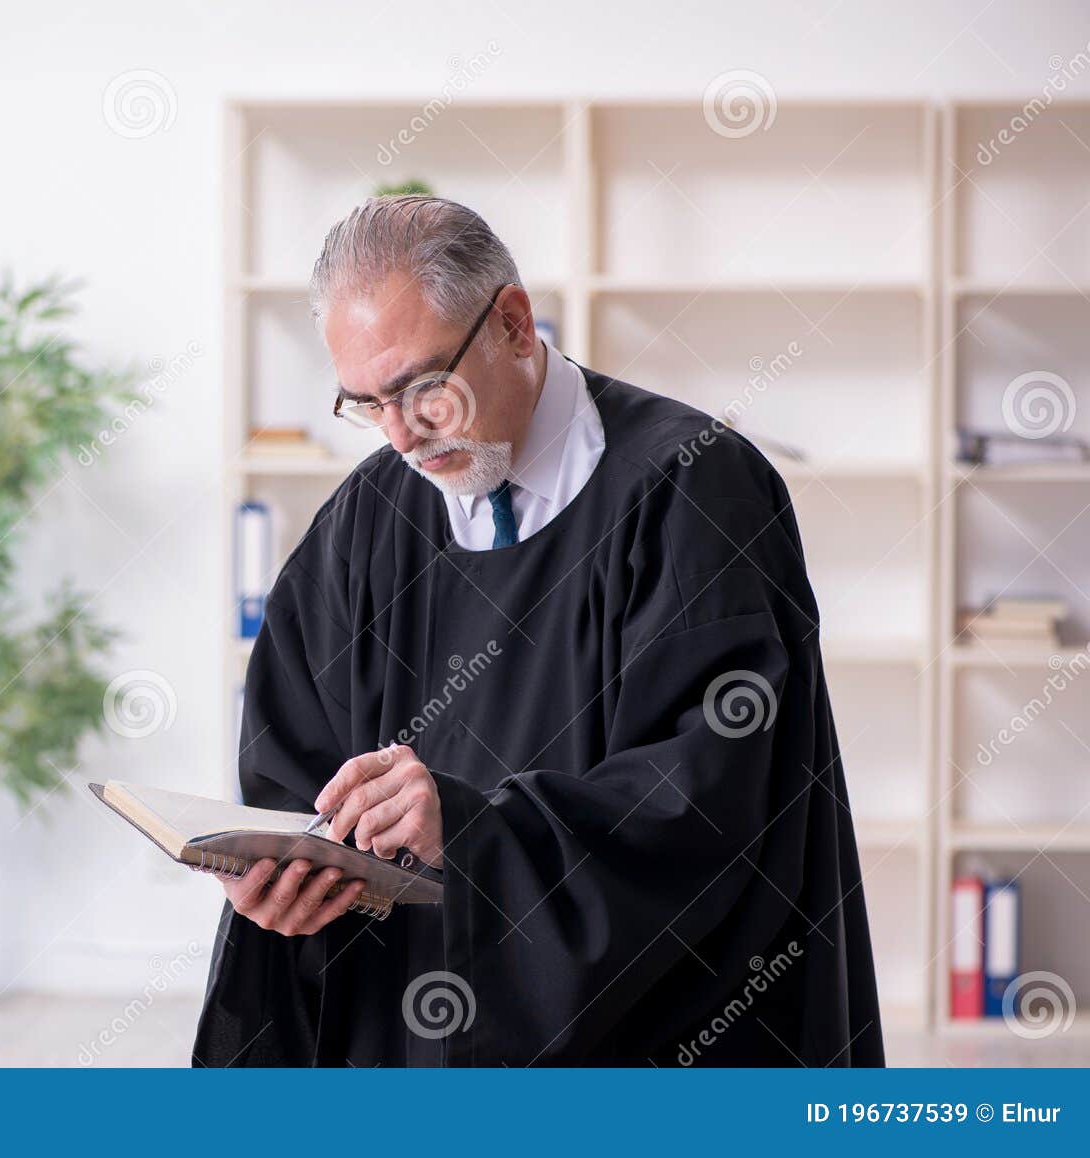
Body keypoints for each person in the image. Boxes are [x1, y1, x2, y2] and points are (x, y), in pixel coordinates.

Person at [192, 196, 884, 1067]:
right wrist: (283, 878)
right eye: (366, 404)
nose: (401, 437)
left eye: (422, 389)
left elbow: (712, 792)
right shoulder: (364, 521)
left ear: (513, 324)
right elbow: (295, 772)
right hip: (417, 1031)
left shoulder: (692, 489)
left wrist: (475, 831)